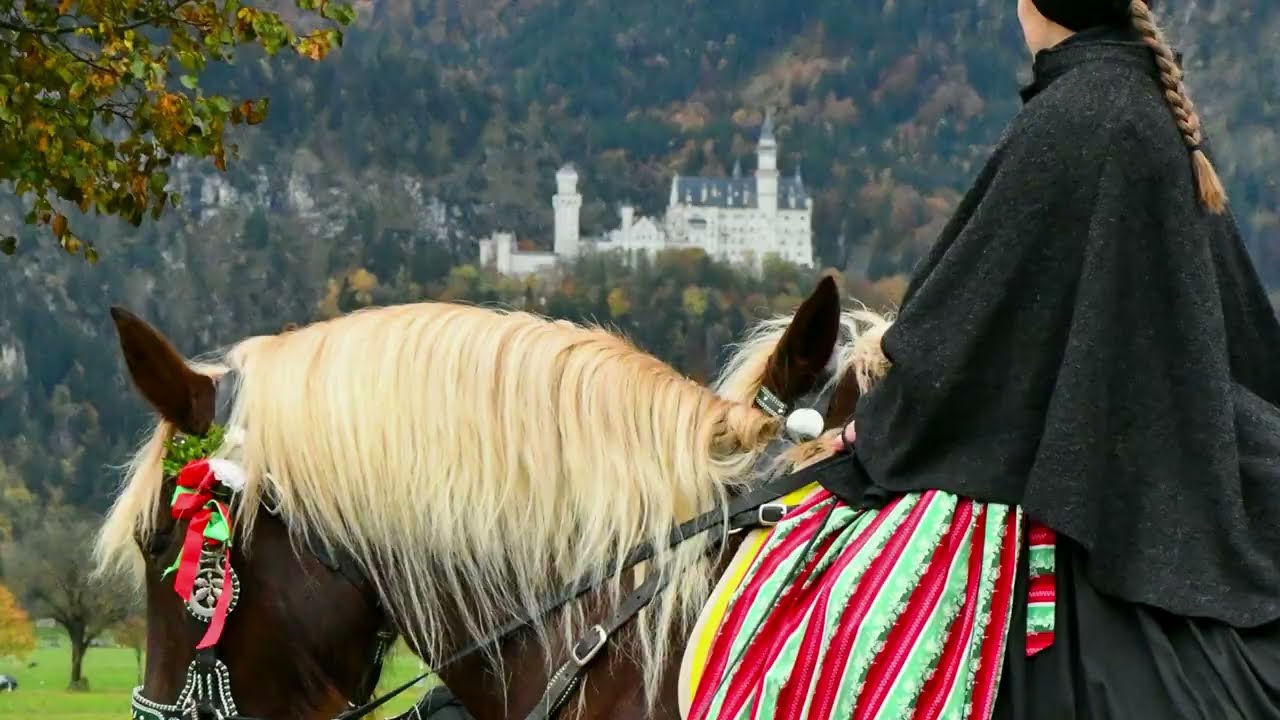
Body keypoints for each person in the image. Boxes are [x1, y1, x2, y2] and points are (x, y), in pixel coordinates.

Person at [833, 0, 1280, 717]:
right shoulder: (1147, 107)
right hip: (1171, 459)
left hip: (1111, 490)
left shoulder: (1075, 116)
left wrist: (880, 424)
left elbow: (964, 339)